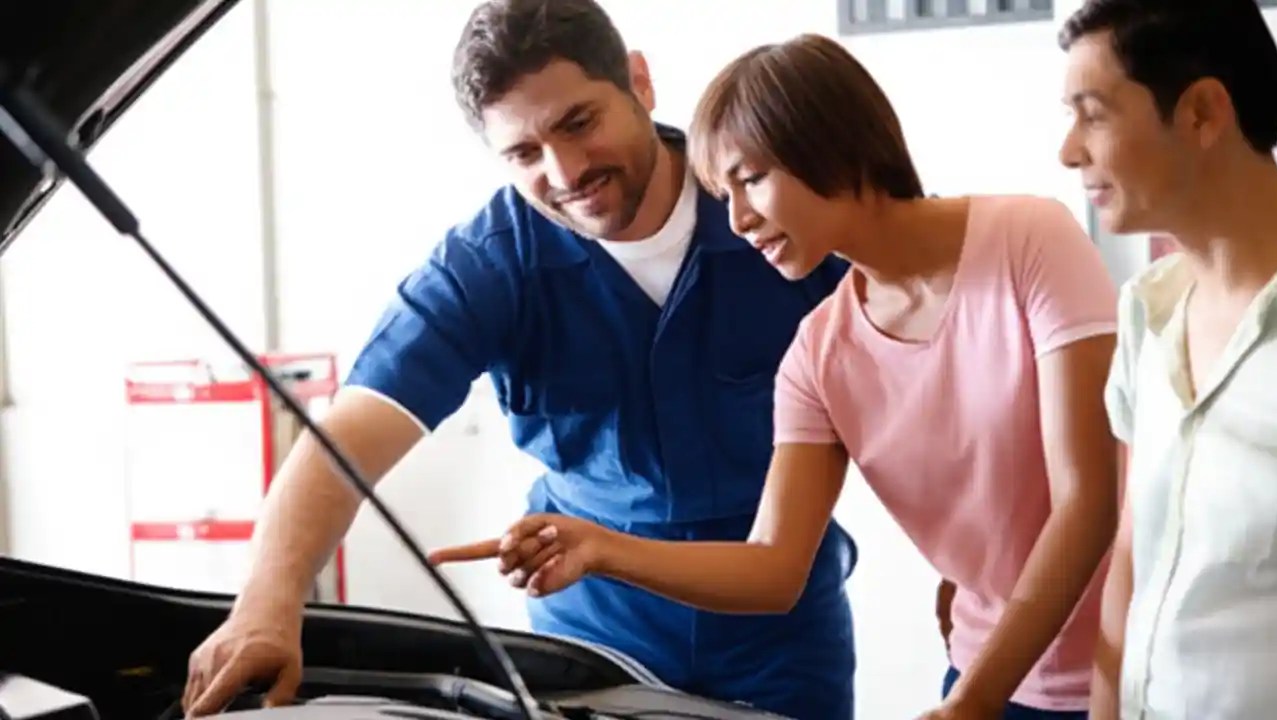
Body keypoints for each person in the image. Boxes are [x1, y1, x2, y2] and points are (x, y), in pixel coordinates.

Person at [179, 1, 856, 718]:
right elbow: (347, 440)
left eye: (579, 123)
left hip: (781, 637)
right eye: (524, 154)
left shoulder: (773, 201)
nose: (566, 172)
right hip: (594, 642)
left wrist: (973, 565)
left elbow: (934, 338)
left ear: (640, 83)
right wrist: (265, 601)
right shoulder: (489, 265)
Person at [433, 33, 1123, 720]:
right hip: (992, 673)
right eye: (720, 193)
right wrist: (601, 547)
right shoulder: (818, 355)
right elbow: (772, 566)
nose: (737, 220)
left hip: (1125, 659)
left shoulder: (1030, 239)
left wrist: (973, 700)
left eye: (750, 179)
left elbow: (1088, 501)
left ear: (829, 143)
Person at [1057, 1, 1277, 718]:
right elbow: (1134, 547)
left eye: (1093, 115)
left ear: (1202, 113)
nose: (1069, 150)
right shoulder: (1145, 314)